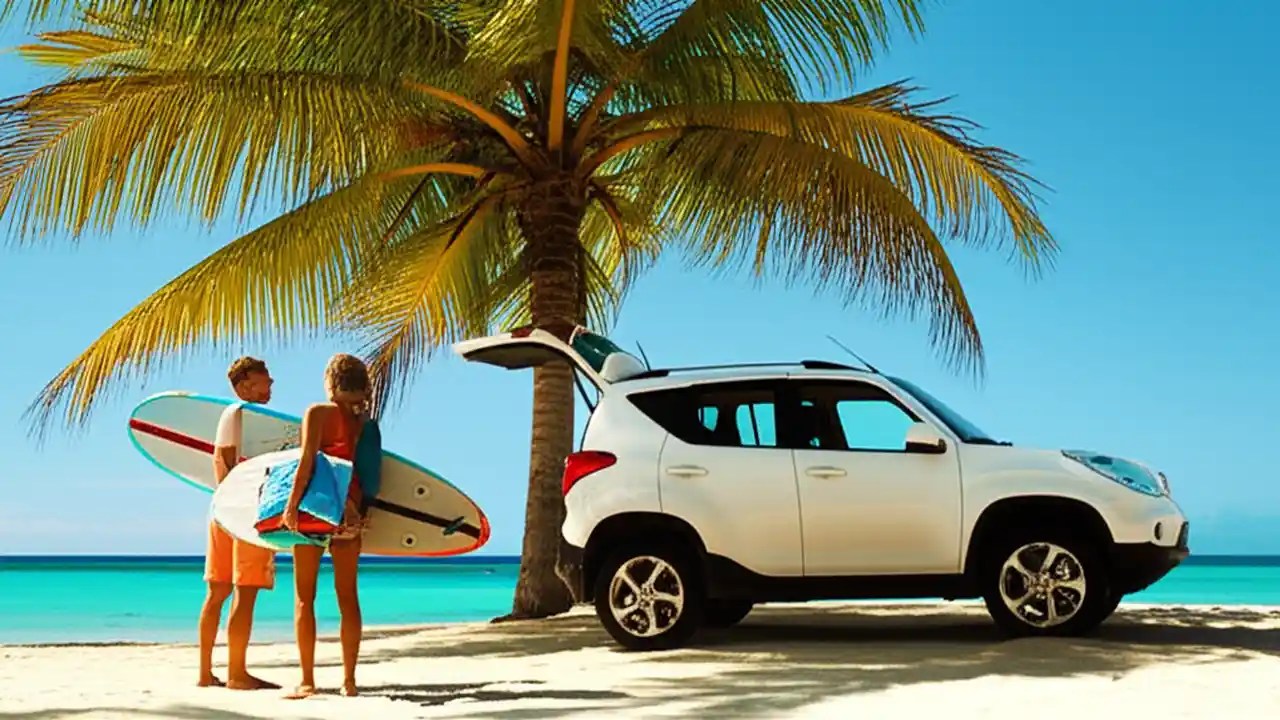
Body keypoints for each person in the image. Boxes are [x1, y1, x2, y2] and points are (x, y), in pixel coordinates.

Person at [282, 353, 375, 699]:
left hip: (316, 511)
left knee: (305, 597)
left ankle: (307, 680)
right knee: (348, 597)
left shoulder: (318, 413)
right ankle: (349, 681)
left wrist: (291, 505)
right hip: (350, 513)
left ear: (331, 382)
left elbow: (307, 462)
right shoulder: (363, 421)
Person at [199, 356, 280, 690]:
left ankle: (206, 672)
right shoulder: (241, 415)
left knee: (217, 591)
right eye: (266, 379)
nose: (272, 384)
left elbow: (222, 467)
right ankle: (237, 673)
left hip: (220, 512)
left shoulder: (229, 416)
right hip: (245, 516)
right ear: (246, 384)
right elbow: (226, 465)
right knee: (244, 594)